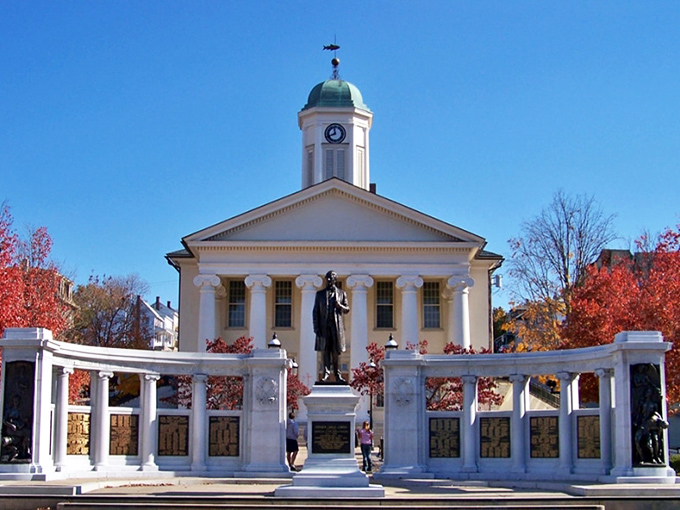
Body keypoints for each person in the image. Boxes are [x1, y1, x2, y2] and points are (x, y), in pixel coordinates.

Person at [313, 270, 350, 383]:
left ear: (335, 280)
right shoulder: (319, 294)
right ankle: (326, 374)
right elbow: (315, 312)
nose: (329, 280)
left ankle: (337, 374)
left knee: (335, 352)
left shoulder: (342, 293)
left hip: (336, 327)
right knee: (325, 351)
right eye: (327, 278)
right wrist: (316, 328)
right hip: (324, 327)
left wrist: (340, 306)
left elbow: (347, 309)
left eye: (331, 278)